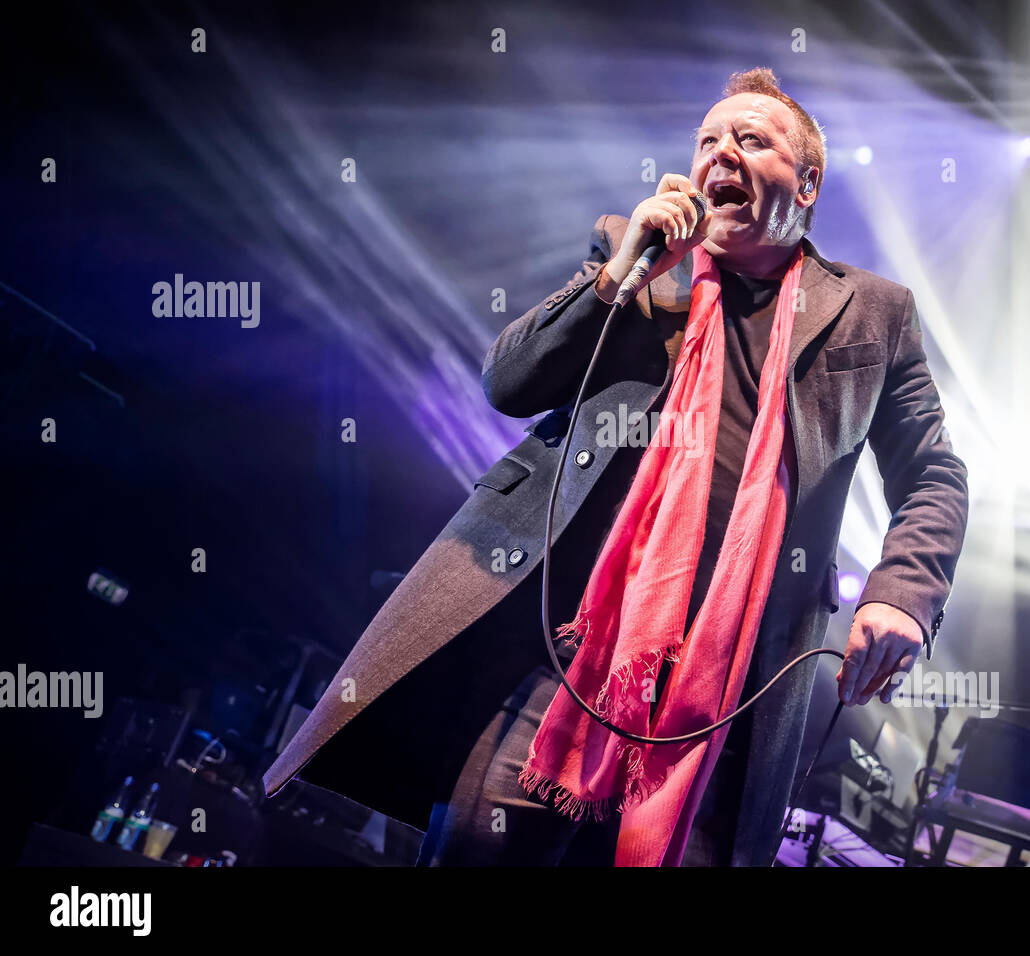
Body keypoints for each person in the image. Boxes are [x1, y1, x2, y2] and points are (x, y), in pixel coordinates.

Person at [262, 67, 969, 868]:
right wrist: (618, 273)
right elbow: (510, 383)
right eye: (707, 140)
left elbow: (934, 472)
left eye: (749, 139)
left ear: (806, 182)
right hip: (562, 659)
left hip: (728, 694)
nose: (719, 154)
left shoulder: (871, 309)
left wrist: (904, 597)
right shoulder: (637, 265)